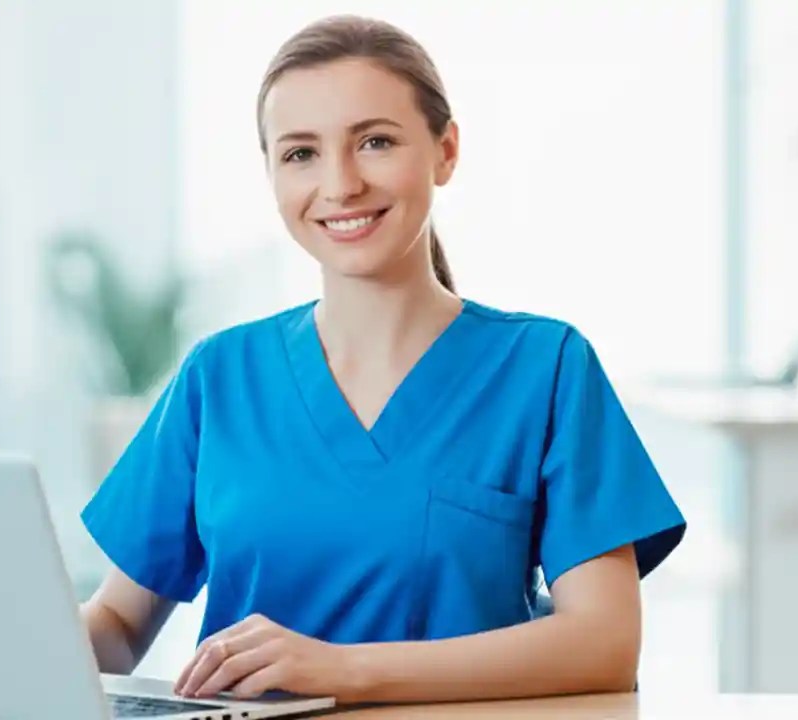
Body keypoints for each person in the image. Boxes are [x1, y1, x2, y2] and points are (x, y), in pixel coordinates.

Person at [78, 14, 686, 706]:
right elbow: (118, 624)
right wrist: (0, 642)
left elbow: (604, 644)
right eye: (301, 154)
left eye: (374, 142)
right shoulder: (219, 377)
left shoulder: (545, 369)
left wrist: (342, 671)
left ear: (445, 151)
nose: (340, 185)